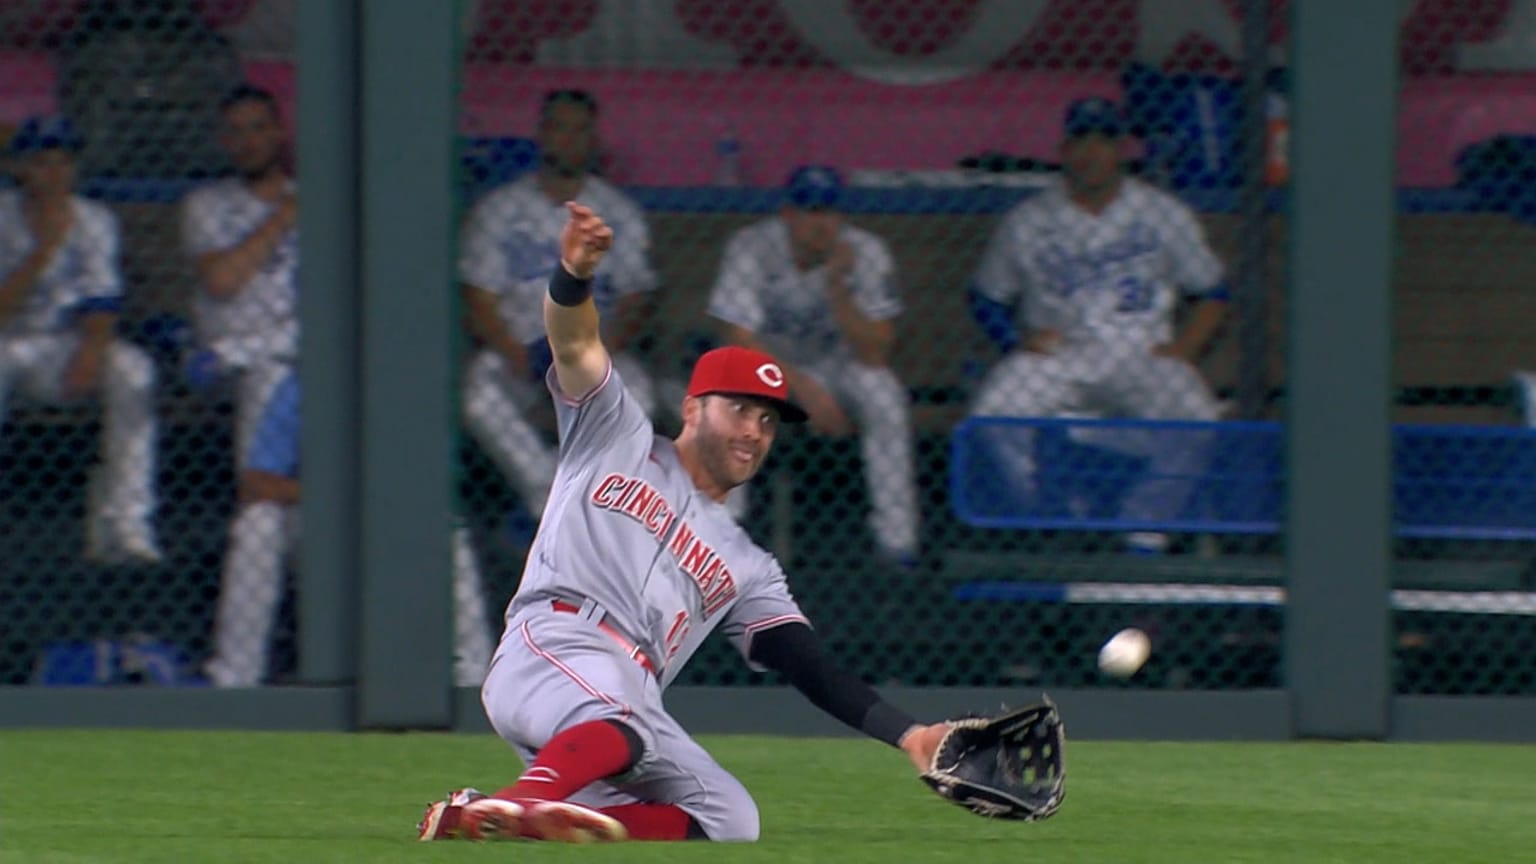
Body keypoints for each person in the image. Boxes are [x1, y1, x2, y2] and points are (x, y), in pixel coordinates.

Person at [417, 202, 950, 843]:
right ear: (694, 407)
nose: (755, 430)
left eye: (768, 420)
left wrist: (909, 733)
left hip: (623, 703)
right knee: (627, 717)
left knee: (731, 819)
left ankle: (506, 820)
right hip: (551, 648)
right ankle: (521, 800)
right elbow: (575, 341)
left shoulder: (748, 562)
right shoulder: (614, 432)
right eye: (741, 409)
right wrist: (572, 277)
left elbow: (808, 665)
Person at [967, 97, 1230, 554]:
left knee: (1200, 419)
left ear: (1121, 150)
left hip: (1141, 350)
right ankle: (1053, 517)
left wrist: (1186, 347)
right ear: (1065, 149)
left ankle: (1144, 526)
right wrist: (1015, 340)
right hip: (1059, 355)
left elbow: (1213, 291)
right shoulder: (1029, 219)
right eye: (1081, 141)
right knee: (990, 416)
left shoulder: (1162, 212)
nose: (1091, 153)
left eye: (1104, 141)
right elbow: (986, 296)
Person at [204, 371, 494, 688]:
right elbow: (256, 483)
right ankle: (235, 678)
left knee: (445, 526)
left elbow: (428, 484)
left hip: (393, 524)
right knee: (257, 523)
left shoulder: (416, 387)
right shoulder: (304, 383)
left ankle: (474, 680)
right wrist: (336, 492)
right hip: (317, 529)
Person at [459, 88, 661, 528]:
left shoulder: (617, 212)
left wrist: (595, 361)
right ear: (542, 135)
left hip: (596, 353)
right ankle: (551, 498)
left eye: (579, 130)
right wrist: (519, 360)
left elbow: (635, 300)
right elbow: (479, 300)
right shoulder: (500, 209)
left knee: (641, 395)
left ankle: (596, 505)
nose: (568, 139)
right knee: (478, 394)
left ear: (593, 140)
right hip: (518, 353)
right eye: (559, 128)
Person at [707, 165, 919, 563]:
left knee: (884, 392)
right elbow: (738, 340)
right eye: (808, 211)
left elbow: (876, 351)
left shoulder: (865, 253)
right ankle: (722, 534)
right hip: (768, 367)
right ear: (788, 214)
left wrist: (838, 286)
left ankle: (897, 541)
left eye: (827, 211)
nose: (819, 223)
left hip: (841, 369)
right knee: (732, 390)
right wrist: (806, 391)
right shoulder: (751, 246)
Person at [0, 115, 161, 564]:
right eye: (42, 162)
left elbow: (102, 301)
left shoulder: (93, 219)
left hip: (69, 345)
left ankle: (126, 523)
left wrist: (92, 352)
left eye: (63, 162)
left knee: (134, 370)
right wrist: (43, 250)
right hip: (10, 343)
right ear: (19, 168)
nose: (54, 174)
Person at [180, 83, 296, 467]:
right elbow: (222, 282)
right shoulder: (206, 204)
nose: (249, 141)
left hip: (301, 346)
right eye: (236, 132)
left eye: (259, 128)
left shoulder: (322, 198)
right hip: (231, 350)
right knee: (267, 373)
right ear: (223, 141)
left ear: (279, 133)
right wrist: (284, 217)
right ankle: (259, 504)